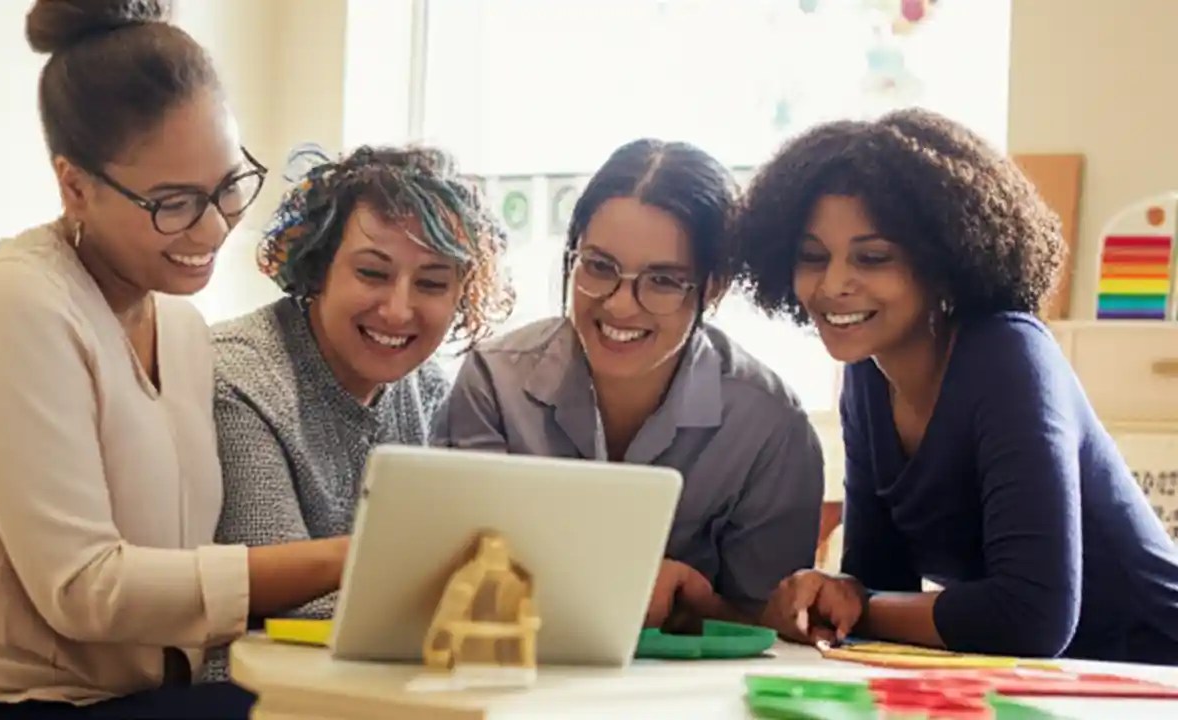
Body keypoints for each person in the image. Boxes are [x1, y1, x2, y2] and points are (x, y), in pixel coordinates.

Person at [0, 2, 352, 718]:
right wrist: (345, 558)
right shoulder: (16, 305)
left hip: (126, 698)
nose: (213, 228)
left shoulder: (182, 327)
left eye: (229, 186)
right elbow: (86, 590)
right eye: (173, 203)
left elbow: (179, 572)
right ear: (74, 184)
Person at [733, 108, 1178, 664]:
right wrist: (840, 595)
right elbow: (877, 582)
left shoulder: (1009, 356)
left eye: (872, 258)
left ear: (941, 262)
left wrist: (854, 603)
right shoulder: (867, 376)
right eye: (812, 257)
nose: (833, 284)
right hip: (1048, 684)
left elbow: (1031, 617)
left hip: (1152, 673)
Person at [432, 138, 825, 632]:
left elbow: (769, 625)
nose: (619, 305)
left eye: (661, 280)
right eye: (599, 267)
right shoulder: (493, 380)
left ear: (714, 287)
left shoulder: (770, 427)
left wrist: (693, 599)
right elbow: (456, 571)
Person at [200, 145, 512, 679]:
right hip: (247, 695)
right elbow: (286, 605)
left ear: (462, 294)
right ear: (319, 267)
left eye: (433, 283)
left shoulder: (433, 392)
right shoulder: (238, 375)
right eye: (372, 273)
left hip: (387, 686)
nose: (398, 308)